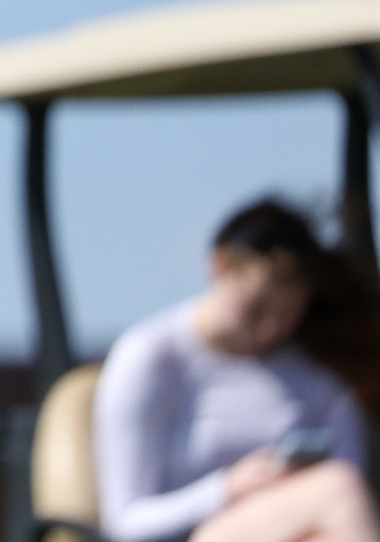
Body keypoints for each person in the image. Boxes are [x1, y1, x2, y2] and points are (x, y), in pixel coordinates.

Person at [94, 198, 380, 542]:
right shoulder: (150, 357)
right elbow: (125, 523)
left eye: (287, 316)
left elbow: (351, 470)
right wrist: (227, 489)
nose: (269, 329)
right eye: (256, 309)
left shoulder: (317, 367)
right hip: (194, 534)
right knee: (337, 488)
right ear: (220, 265)